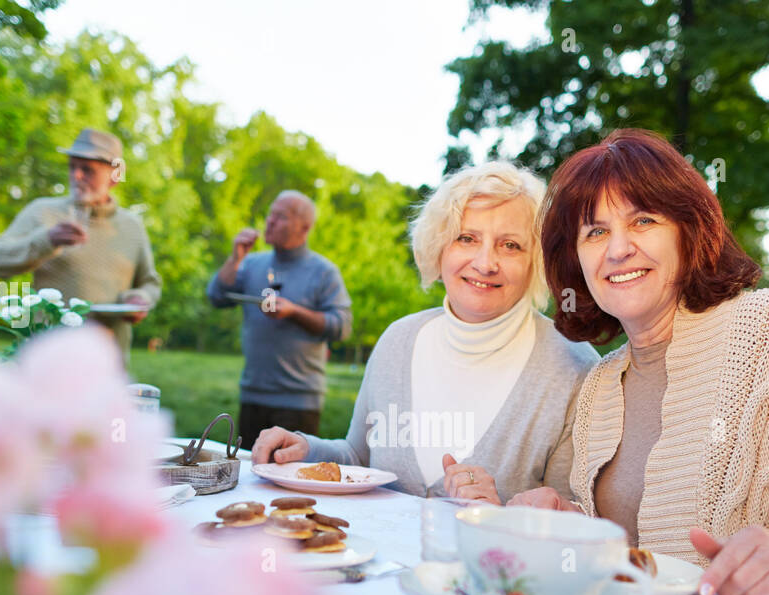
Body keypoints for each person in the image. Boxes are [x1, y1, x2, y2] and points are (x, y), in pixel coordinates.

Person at [508, 129, 769, 595]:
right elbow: (635, 553)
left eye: (643, 220)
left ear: (687, 230)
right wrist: (570, 526)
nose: (618, 249)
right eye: (596, 232)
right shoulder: (600, 386)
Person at [251, 162, 598, 503]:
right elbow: (359, 458)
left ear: (537, 260)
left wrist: (500, 513)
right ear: (439, 246)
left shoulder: (574, 368)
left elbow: (576, 521)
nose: (485, 262)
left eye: (511, 245)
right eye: (467, 238)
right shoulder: (398, 341)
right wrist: (307, 449)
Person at [0, 128, 162, 365]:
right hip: (46, 361)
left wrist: (139, 298)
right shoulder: (43, 212)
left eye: (87, 169)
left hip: (109, 365)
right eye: (72, 167)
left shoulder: (132, 226)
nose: (76, 176)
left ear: (115, 175)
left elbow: (150, 283)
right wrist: (46, 241)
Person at [207, 191, 352, 447]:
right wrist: (236, 257)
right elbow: (217, 296)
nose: (270, 221)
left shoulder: (323, 272)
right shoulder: (251, 264)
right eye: (270, 214)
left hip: (298, 401)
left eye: (281, 217)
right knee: (251, 476)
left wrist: (294, 312)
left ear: (304, 228)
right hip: (253, 395)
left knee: (291, 479)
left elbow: (341, 327)